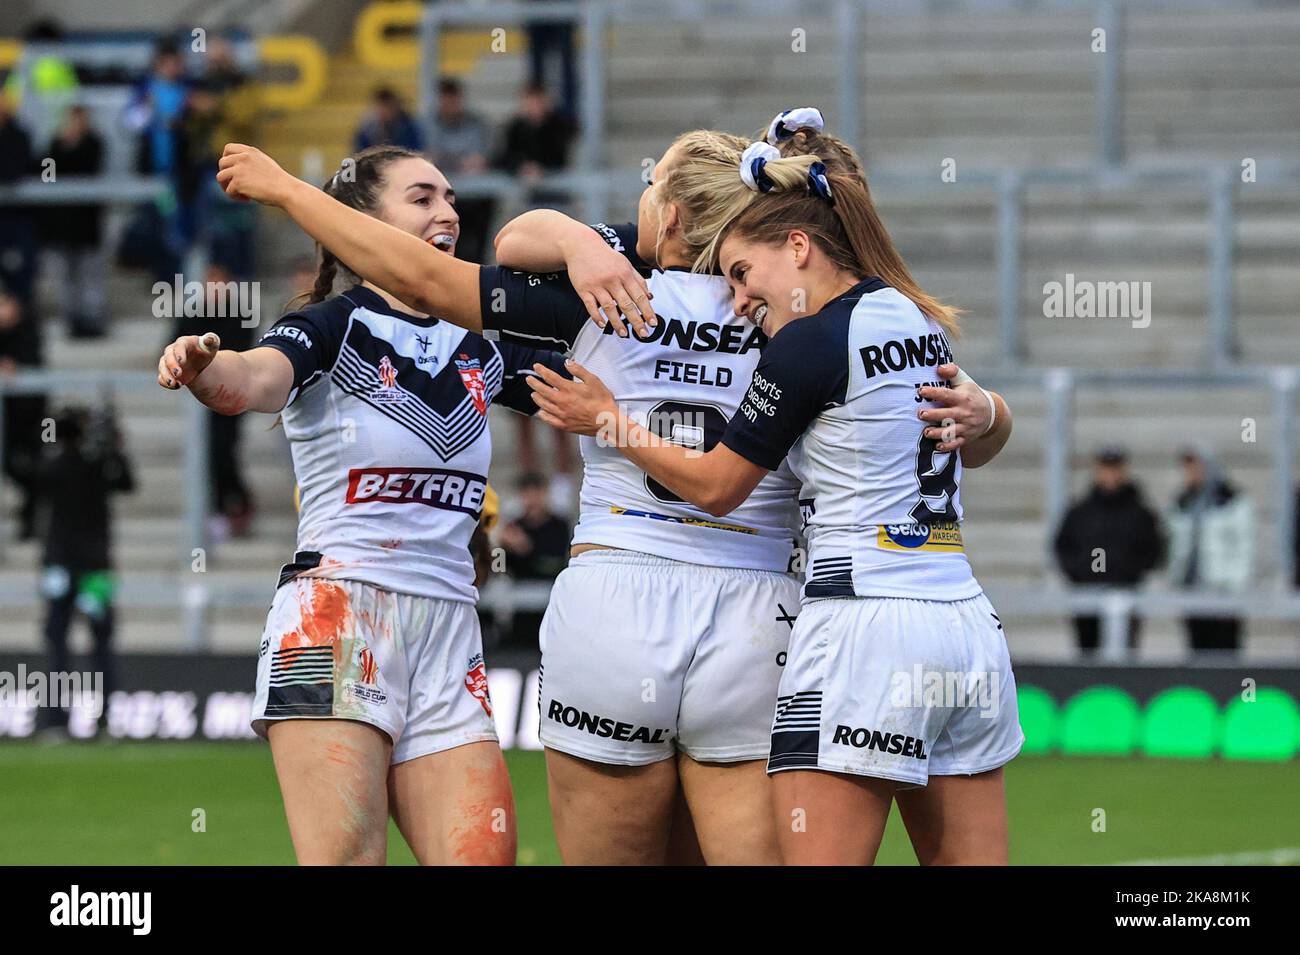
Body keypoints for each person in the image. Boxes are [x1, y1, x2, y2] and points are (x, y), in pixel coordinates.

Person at [213, 110, 1014, 865]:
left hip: (616, 598)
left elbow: (426, 282)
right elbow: (936, 409)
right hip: (761, 610)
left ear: (668, 212)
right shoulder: (799, 315)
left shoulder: (602, 294)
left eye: (651, 181)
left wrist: (292, 191)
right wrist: (989, 411)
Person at [526, 134, 1024, 866]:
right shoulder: (915, 316)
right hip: (966, 625)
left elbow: (718, 487)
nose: (738, 297)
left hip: (863, 624)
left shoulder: (805, 345)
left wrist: (610, 420)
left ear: (797, 245)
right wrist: (993, 409)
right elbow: (977, 433)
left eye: (740, 271)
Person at [163, 145, 575, 865]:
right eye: (421, 198)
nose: (447, 212)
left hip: (448, 624)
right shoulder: (331, 326)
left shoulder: (481, 349)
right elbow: (253, 380)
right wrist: (205, 366)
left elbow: (597, 394)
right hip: (337, 616)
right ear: (360, 221)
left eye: (449, 197)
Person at [35, 404, 134, 738]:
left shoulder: (54, 466)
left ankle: (54, 721)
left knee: (57, 643)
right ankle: (106, 719)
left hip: (60, 567)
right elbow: (126, 481)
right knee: (101, 643)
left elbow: (23, 475)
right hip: (95, 569)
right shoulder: (97, 466)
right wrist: (115, 449)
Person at [1053, 446, 1164, 654]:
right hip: (1086, 594)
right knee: (1087, 653)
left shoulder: (1140, 513)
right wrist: (1080, 572)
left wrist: (1128, 571)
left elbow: (1154, 550)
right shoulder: (1080, 511)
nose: (1110, 475)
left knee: (1126, 654)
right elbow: (1062, 546)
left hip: (1126, 594)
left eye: (1115, 468)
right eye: (1106, 468)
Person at [1166, 445, 1253, 654]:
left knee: (1225, 651)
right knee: (1197, 650)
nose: (1192, 473)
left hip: (1223, 592)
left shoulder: (1232, 500)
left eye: (1196, 467)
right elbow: (1177, 546)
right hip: (1193, 590)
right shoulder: (1182, 502)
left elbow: (1244, 547)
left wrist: (1234, 587)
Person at [42, 104, 108, 338]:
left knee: (90, 274)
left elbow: (91, 169)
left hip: (87, 224)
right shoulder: (54, 145)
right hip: (62, 224)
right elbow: (47, 176)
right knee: (65, 277)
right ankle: (70, 319)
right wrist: (62, 147)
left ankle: (93, 320)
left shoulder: (94, 143)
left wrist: (72, 147)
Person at [498, 471, 570, 647]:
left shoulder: (559, 526)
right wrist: (501, 547)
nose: (532, 499)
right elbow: (498, 569)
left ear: (544, 493)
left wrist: (526, 548)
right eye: (527, 493)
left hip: (550, 600)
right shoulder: (514, 526)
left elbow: (555, 562)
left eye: (536, 492)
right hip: (521, 604)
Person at [428, 77, 494, 263]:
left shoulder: (477, 123)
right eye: (445, 101)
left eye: (453, 100)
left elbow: (480, 160)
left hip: (477, 198)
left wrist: (451, 161)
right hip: (446, 199)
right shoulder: (431, 124)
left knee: (476, 251)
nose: (449, 105)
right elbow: (433, 157)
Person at [353, 87, 423, 153]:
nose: (385, 111)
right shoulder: (367, 131)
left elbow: (415, 150)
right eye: (381, 107)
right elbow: (359, 153)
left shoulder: (408, 128)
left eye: (388, 107)